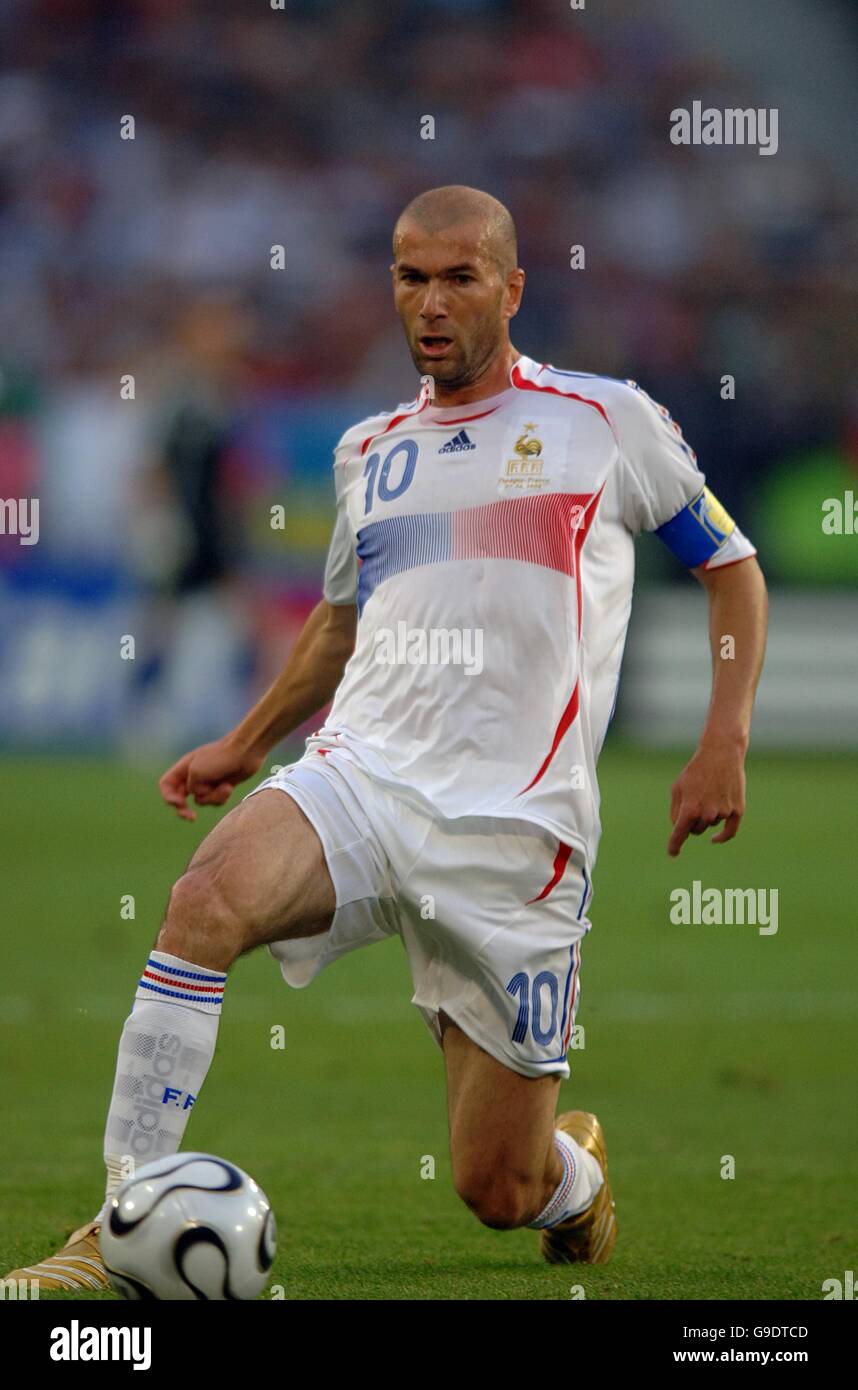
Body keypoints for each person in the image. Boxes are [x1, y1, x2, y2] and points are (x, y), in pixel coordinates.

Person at [8, 185, 767, 1291]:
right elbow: (341, 620)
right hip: (360, 777)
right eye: (412, 277)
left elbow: (731, 567)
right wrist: (246, 738)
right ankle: (120, 1224)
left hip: (516, 836)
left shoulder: (605, 420)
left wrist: (725, 739)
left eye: (461, 276)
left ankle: (572, 1181)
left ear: (511, 287)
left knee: (494, 1188)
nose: (432, 301)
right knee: (204, 900)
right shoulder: (372, 449)